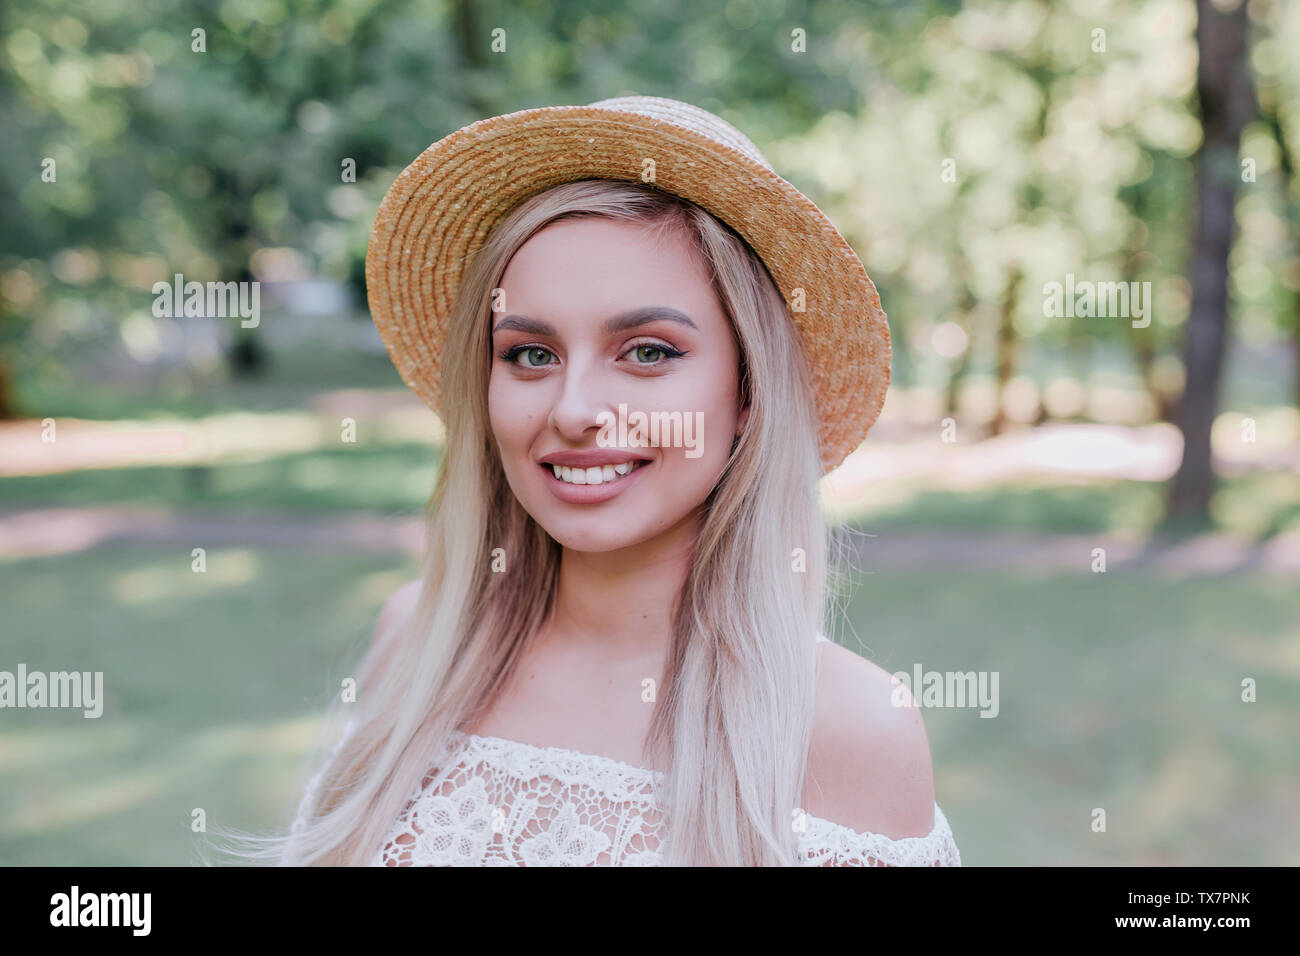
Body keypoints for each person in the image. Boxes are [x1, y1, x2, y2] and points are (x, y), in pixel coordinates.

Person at [254, 96, 959, 866]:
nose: (575, 409)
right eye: (531, 353)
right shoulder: (415, 641)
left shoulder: (850, 728)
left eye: (648, 352)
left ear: (749, 393)